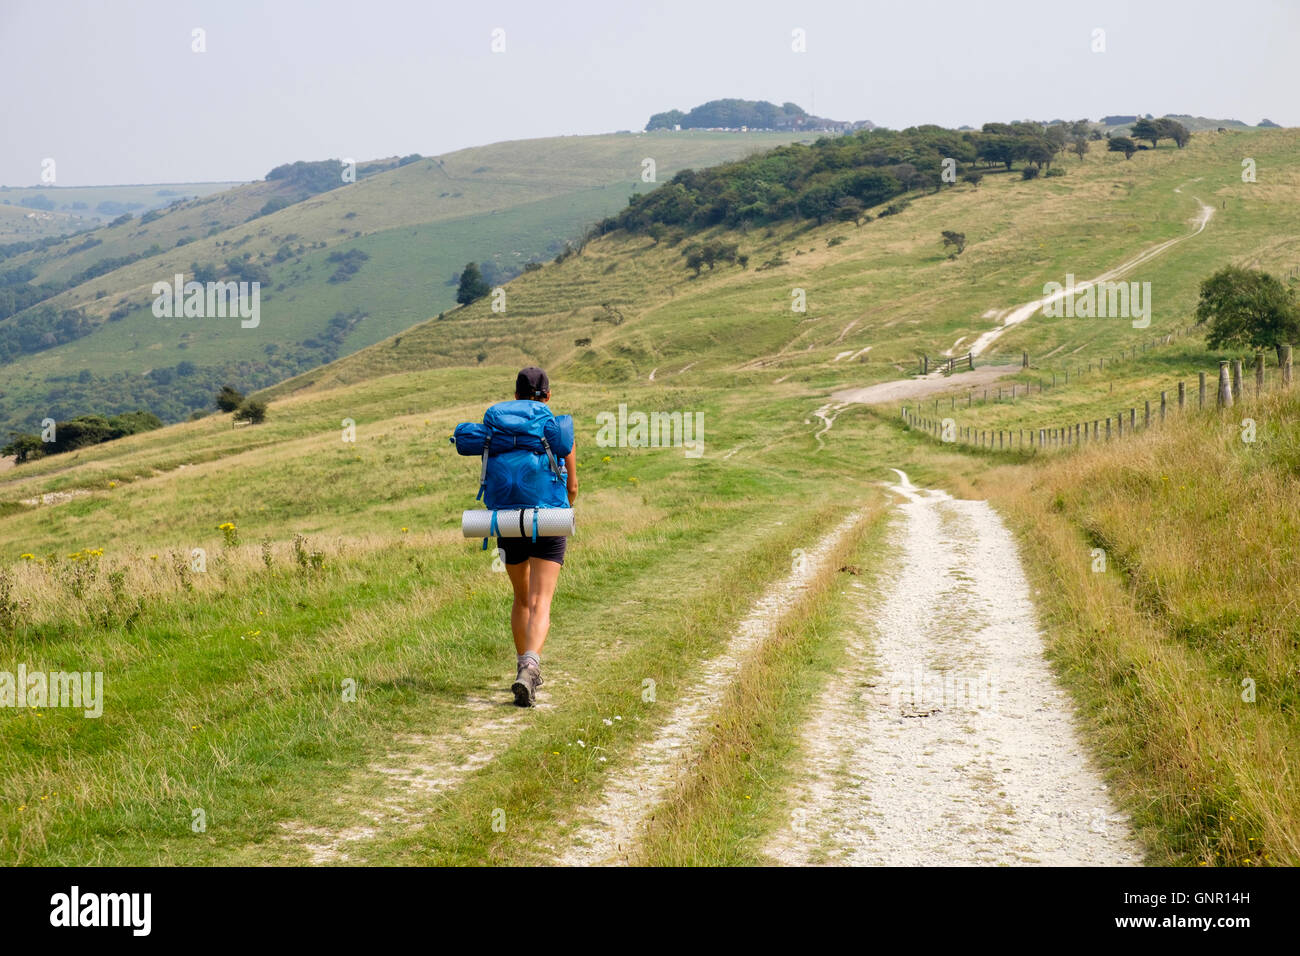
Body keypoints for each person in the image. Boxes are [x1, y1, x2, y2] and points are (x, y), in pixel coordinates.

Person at [502, 367, 576, 707]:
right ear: (547, 396)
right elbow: (572, 486)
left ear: (516, 395)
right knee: (541, 601)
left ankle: (521, 667)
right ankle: (531, 668)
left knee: (522, 599)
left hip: (507, 518)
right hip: (548, 518)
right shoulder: (557, 428)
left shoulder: (501, 427)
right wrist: (564, 507)